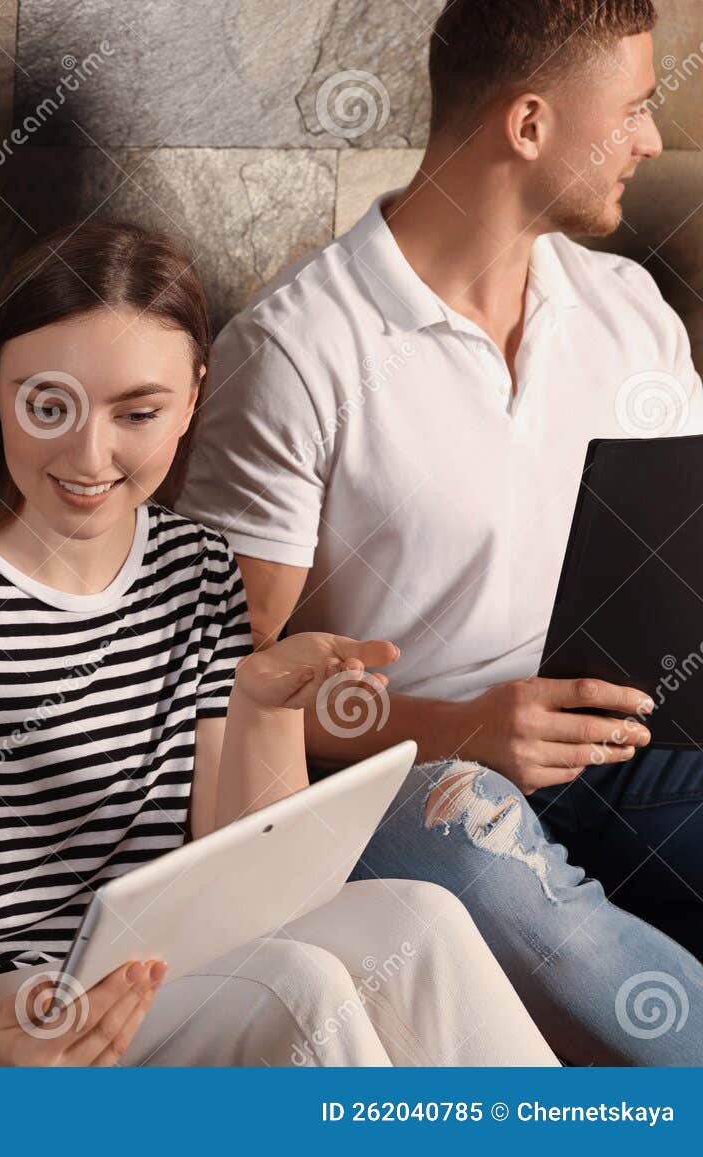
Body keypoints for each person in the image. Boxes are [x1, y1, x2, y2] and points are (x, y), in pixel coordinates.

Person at [0, 221, 557, 1066]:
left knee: (422, 916)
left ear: (193, 397)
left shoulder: (197, 567)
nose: (89, 454)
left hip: (156, 962)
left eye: (137, 412)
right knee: (298, 985)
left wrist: (261, 706)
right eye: (47, 405)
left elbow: (257, 891)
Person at [176, 0, 703, 1065]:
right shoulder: (296, 349)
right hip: (410, 780)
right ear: (528, 125)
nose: (651, 140)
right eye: (634, 109)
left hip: (620, 742)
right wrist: (466, 728)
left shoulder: (629, 312)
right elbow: (217, 682)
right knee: (475, 832)